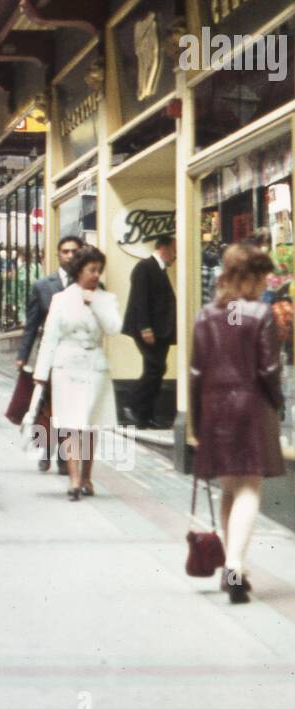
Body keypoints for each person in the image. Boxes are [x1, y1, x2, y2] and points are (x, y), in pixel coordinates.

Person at [190, 243, 285, 603]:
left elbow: (196, 372)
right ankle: (234, 565)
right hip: (252, 408)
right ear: (252, 277)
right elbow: (269, 369)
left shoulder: (207, 315)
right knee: (249, 488)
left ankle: (236, 567)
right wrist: (278, 402)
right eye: (262, 276)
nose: (264, 283)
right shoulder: (259, 314)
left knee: (230, 488)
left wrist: (197, 423)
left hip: (215, 409)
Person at [31, 244, 122, 502]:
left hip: (95, 365)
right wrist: (41, 372)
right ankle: (73, 479)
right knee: (70, 424)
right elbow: (50, 337)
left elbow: (114, 328)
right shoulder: (61, 299)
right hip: (66, 365)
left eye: (99, 270)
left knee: (90, 425)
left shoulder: (107, 299)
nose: (96, 275)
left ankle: (86, 476)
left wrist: (96, 305)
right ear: (79, 270)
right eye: (91, 270)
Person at [14, 234, 82, 474]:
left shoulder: (90, 285)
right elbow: (32, 324)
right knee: (48, 407)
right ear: (58, 255)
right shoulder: (42, 286)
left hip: (78, 358)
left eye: (75, 251)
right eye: (66, 251)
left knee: (71, 409)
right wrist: (23, 355)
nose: (70, 256)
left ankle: (65, 457)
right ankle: (45, 450)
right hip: (52, 356)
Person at [121, 234, 177, 430]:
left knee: (154, 369)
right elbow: (140, 299)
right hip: (148, 331)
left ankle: (145, 416)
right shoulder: (145, 267)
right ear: (163, 248)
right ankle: (131, 403)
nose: (175, 255)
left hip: (159, 331)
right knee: (156, 369)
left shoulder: (159, 269)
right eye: (173, 250)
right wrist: (145, 327)